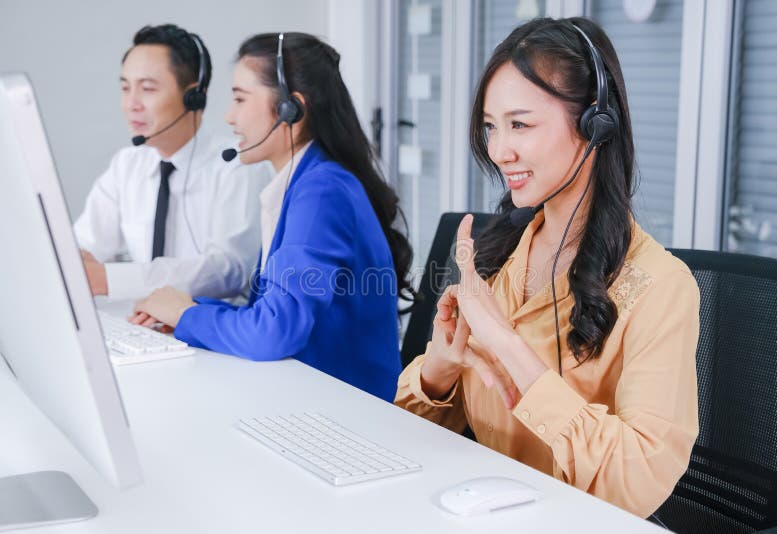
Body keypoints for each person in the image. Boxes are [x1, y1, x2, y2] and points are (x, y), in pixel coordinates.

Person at [394, 17, 700, 519]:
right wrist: (440, 371)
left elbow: (637, 483)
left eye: (520, 124)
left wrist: (506, 343)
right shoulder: (497, 257)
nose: (498, 150)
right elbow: (411, 434)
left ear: (595, 125)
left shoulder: (661, 288)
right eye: (491, 127)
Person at [131, 33, 414, 402]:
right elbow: (269, 313)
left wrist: (186, 316)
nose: (229, 117)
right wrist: (189, 310)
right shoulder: (305, 182)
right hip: (312, 397)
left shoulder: (321, 192)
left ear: (289, 109)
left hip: (349, 415)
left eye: (239, 99)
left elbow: (275, 332)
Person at [74, 24, 268, 301]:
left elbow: (229, 270)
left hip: (211, 334)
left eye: (147, 89)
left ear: (193, 97)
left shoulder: (237, 164)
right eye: (125, 88)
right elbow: (84, 245)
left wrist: (109, 278)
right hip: (144, 327)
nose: (131, 104)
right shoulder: (126, 165)